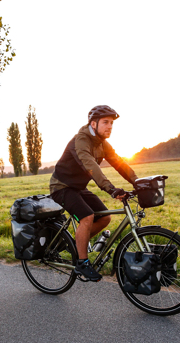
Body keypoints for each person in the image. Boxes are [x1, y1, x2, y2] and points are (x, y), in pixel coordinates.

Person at [50, 105, 138, 281]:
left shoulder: (102, 143)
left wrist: (138, 182)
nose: (110, 127)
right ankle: (82, 263)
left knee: (105, 217)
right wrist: (110, 188)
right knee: (87, 217)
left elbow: (118, 162)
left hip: (78, 188)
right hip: (61, 187)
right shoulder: (81, 140)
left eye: (112, 123)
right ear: (93, 123)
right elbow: (91, 165)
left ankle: (76, 243)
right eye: (106, 122)